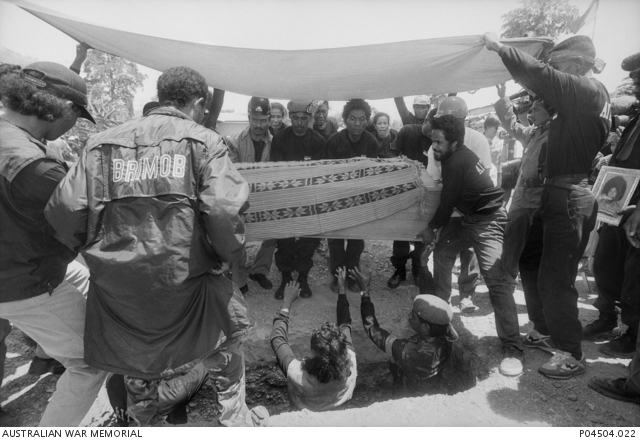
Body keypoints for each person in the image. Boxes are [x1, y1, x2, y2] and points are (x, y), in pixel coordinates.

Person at [45, 66, 267, 427]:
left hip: (121, 293)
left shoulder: (101, 143)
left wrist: (97, 256)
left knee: (137, 359)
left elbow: (66, 210)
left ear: (161, 97)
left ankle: (143, 422)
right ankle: (235, 420)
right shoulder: (206, 142)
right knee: (230, 333)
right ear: (197, 103)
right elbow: (225, 211)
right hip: (185, 285)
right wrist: (229, 260)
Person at [483, 33, 610, 379]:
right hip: (555, 195)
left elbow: (542, 75)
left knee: (556, 279)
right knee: (531, 262)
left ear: (580, 65)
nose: (554, 71)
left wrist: (501, 48)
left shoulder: (590, 90)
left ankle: (570, 352)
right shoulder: (577, 102)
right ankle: (544, 329)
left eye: (560, 65)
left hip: (568, 195)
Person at [0, 61, 106, 426]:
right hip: (24, 280)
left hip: (19, 259)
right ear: (62, 107)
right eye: (78, 115)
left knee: (88, 283)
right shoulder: (38, 167)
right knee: (91, 362)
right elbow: (87, 228)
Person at [417, 114, 523, 377]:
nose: (434, 148)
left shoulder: (457, 161)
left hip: (488, 220)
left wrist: (430, 228)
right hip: (470, 219)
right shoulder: (457, 156)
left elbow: (447, 201)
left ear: (454, 141)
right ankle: (441, 311)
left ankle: (513, 347)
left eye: (439, 142)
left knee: (495, 280)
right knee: (442, 254)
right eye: (432, 142)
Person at [493, 84, 554, 356]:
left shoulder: (557, 133)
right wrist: (503, 96)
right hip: (521, 198)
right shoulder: (534, 133)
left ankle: (542, 325)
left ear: (549, 111)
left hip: (540, 201)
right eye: (530, 108)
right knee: (511, 254)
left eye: (537, 108)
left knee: (534, 262)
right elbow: (510, 122)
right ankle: (506, 289)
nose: (531, 112)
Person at [589, 52, 640, 359]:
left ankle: (631, 335)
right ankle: (607, 318)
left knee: (634, 273)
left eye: (638, 77)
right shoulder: (634, 117)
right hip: (617, 205)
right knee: (606, 262)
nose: (633, 83)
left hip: (636, 211)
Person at [426, 96, 493, 314]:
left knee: (466, 252)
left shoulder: (478, 141)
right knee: (445, 251)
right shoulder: (437, 144)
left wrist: (432, 226)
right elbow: (434, 181)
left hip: (475, 211)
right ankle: (442, 301)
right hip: (458, 207)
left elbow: (476, 179)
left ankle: (465, 296)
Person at [358, 266, 457, 396]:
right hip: (432, 388)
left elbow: (372, 329)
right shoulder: (447, 333)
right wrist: (423, 264)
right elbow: (432, 304)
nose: (409, 315)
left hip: (410, 394)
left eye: (413, 315)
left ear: (425, 327)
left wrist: (365, 292)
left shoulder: (408, 350)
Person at [270, 267, 357, 411]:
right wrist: (342, 289)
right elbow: (345, 324)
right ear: (342, 348)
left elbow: (278, 339)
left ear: (313, 352)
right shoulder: (351, 363)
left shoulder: (297, 374)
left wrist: (287, 302)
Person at [270, 100, 327, 299]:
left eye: (304, 118)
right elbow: (276, 172)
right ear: (290, 118)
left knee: (308, 241)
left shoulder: (318, 141)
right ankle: (285, 279)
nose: (300, 123)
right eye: (295, 118)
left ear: (310, 118)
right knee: (284, 241)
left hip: (310, 198)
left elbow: (320, 174)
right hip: (285, 198)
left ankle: (302, 278)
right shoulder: (279, 139)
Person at [326, 99, 379, 292]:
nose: (357, 124)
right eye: (353, 119)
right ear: (345, 120)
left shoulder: (371, 142)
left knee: (356, 241)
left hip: (361, 200)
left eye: (362, 119)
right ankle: (337, 276)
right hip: (337, 198)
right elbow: (328, 174)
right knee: (336, 240)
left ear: (367, 121)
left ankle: (352, 275)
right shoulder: (334, 141)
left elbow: (373, 172)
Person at [227, 97, 276, 293]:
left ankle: (260, 270)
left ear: (269, 120)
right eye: (255, 119)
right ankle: (238, 276)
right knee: (237, 233)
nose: (258, 124)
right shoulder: (233, 141)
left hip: (266, 196)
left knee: (272, 234)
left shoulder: (275, 142)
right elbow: (232, 173)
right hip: (240, 197)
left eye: (263, 120)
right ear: (248, 117)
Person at [386, 110, 435, 293]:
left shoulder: (438, 138)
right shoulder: (407, 131)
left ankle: (417, 270)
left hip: (427, 193)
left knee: (422, 235)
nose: (433, 134)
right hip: (403, 190)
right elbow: (390, 154)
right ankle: (399, 271)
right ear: (427, 120)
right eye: (432, 127)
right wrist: (406, 166)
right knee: (400, 234)